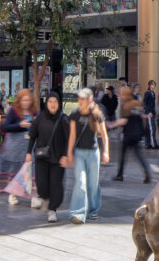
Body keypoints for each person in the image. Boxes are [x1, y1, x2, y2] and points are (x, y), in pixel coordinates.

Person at [67, 88, 111, 224]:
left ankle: (93, 210)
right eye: (79, 98)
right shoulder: (74, 115)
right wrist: (69, 153)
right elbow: (72, 135)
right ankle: (78, 213)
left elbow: (104, 135)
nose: (80, 101)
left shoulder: (97, 114)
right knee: (80, 182)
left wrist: (106, 151)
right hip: (79, 153)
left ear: (90, 100)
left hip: (93, 153)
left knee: (93, 183)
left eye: (83, 99)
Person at [27, 92, 72, 223]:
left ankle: (53, 210)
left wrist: (66, 155)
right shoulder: (40, 118)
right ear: (46, 103)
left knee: (56, 185)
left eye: (55, 102)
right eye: (50, 101)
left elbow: (69, 139)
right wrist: (28, 152)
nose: (53, 104)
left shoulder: (63, 119)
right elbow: (32, 136)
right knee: (41, 185)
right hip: (42, 157)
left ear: (59, 103)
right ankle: (45, 198)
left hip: (58, 158)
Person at [0, 88, 37, 206]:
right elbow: (5, 126)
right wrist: (20, 125)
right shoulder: (13, 111)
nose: (26, 103)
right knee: (15, 170)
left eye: (28, 100)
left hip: (29, 144)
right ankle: (12, 193)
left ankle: (33, 195)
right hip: (15, 145)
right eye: (24, 100)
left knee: (31, 169)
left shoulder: (34, 112)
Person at [112, 85, 152, 183]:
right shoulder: (137, 103)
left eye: (121, 94)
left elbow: (124, 120)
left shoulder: (125, 106)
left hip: (128, 133)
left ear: (125, 95)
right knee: (139, 155)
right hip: (137, 133)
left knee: (122, 155)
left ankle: (120, 175)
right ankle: (147, 173)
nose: (120, 96)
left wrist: (111, 124)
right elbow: (141, 117)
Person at [142, 80, 159, 150]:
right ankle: (153, 144)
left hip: (152, 112)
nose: (153, 85)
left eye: (154, 84)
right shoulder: (147, 92)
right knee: (152, 129)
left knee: (149, 128)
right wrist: (148, 112)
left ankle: (148, 144)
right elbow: (144, 103)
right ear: (149, 85)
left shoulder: (153, 93)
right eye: (152, 84)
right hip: (149, 113)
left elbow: (152, 104)